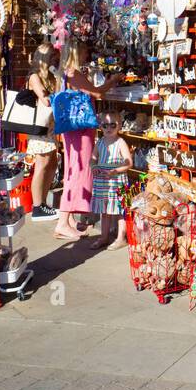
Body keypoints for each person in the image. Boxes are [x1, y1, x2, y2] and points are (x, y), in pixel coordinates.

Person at [53, 41, 119, 242]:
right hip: (80, 130)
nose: (86, 53)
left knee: (72, 170)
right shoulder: (73, 73)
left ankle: (69, 219)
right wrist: (113, 80)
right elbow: (97, 93)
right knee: (78, 172)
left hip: (74, 129)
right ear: (76, 52)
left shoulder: (66, 73)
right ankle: (63, 222)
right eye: (83, 50)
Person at [26, 43, 61, 221]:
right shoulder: (34, 76)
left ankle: (43, 203)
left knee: (52, 163)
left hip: (50, 127)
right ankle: (37, 205)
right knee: (42, 164)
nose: (56, 59)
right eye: (53, 56)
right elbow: (45, 100)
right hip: (40, 127)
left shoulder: (51, 77)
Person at [89, 111, 132, 250]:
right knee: (105, 210)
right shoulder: (100, 142)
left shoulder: (120, 143)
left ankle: (121, 237)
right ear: (100, 126)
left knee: (119, 210)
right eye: (105, 125)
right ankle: (104, 236)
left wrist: (116, 171)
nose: (108, 128)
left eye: (112, 125)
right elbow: (93, 158)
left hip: (116, 178)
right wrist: (94, 166)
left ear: (119, 126)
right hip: (102, 179)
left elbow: (129, 163)